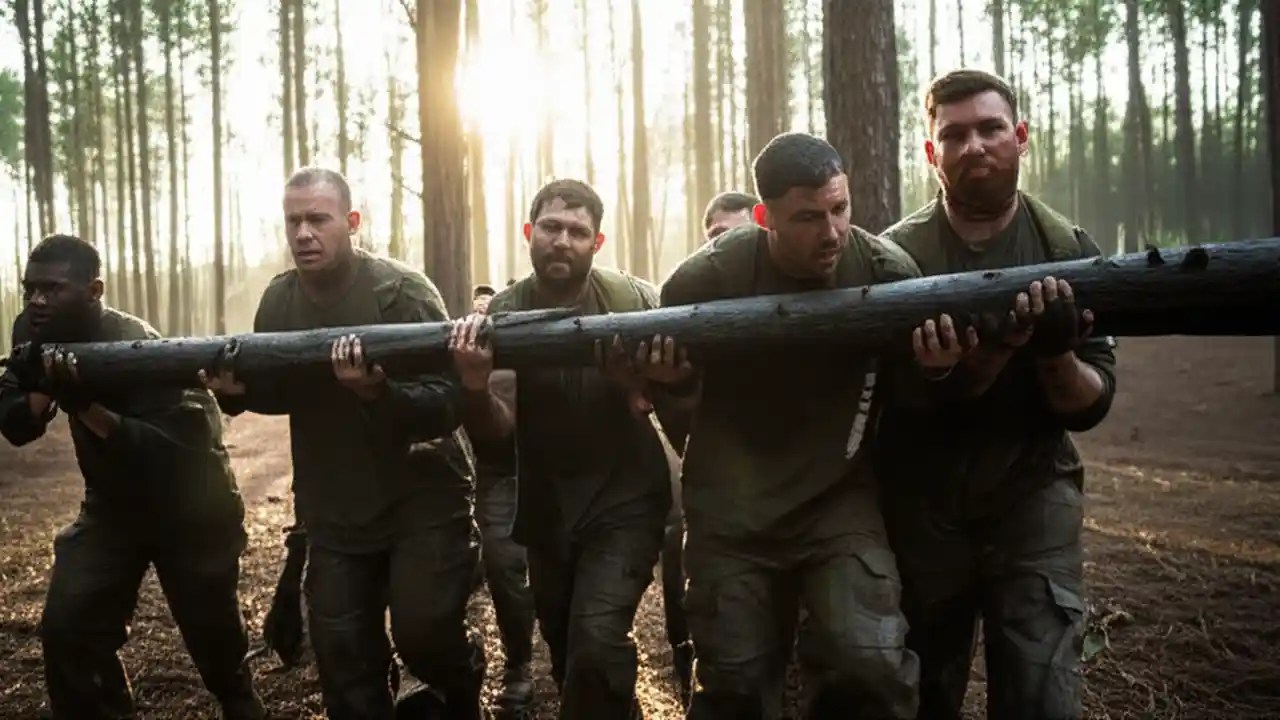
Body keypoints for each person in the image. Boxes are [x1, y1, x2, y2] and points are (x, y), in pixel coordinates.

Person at [873, 69, 1117, 720]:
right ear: (932, 153)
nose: (974, 145)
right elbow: (885, 405)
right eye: (954, 134)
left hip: (1034, 489)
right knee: (925, 684)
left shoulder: (1068, 249)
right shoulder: (896, 260)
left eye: (989, 128)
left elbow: (1092, 402)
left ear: (1020, 136)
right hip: (923, 501)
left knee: (1042, 690)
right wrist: (954, 368)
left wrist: (1053, 351)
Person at [200, 167, 486, 719]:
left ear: (351, 223)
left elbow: (446, 403)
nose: (304, 233)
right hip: (334, 506)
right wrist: (237, 395)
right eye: (293, 221)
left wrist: (376, 394)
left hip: (422, 496)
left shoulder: (399, 292)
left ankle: (461, 684)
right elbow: (280, 389)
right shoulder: (279, 302)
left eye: (318, 219)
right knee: (344, 660)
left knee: (426, 634)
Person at [652, 132, 922, 719]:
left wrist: (938, 371)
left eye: (840, 208)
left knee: (867, 660)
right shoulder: (702, 282)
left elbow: (916, 401)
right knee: (737, 685)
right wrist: (671, 382)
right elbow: (676, 406)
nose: (831, 232)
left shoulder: (887, 272)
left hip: (837, 500)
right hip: (731, 506)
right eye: (807, 217)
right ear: (762, 217)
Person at [0, 234, 265, 719]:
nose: (37, 300)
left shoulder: (138, 346)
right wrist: (46, 392)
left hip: (191, 507)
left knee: (220, 654)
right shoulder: (32, 332)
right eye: (30, 288)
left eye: (53, 289)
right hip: (112, 508)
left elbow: (172, 453)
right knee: (68, 629)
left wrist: (83, 403)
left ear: (95, 290)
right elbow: (16, 421)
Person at [449, 178, 672, 719]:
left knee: (597, 638)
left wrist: (631, 386)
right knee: (568, 653)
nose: (562, 241)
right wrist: (474, 386)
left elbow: (668, 405)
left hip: (626, 498)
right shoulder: (502, 312)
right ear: (529, 232)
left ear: (597, 243)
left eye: (577, 231)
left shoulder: (634, 301)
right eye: (551, 227)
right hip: (547, 507)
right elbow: (498, 428)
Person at [468, 282, 536, 716]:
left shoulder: (528, 338)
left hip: (554, 463)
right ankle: (520, 665)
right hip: (498, 472)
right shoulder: (467, 355)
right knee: (503, 562)